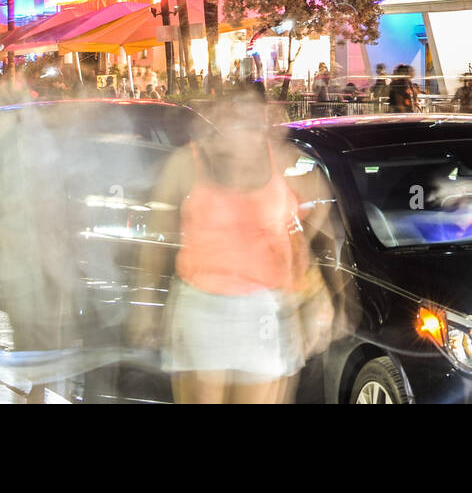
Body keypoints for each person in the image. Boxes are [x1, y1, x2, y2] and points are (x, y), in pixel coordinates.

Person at [133, 93, 333, 404]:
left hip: (263, 309)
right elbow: (156, 239)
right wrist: (144, 303)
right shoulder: (187, 163)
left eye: (249, 118)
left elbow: (321, 210)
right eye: (230, 116)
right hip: (201, 307)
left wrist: (311, 283)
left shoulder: (283, 161)